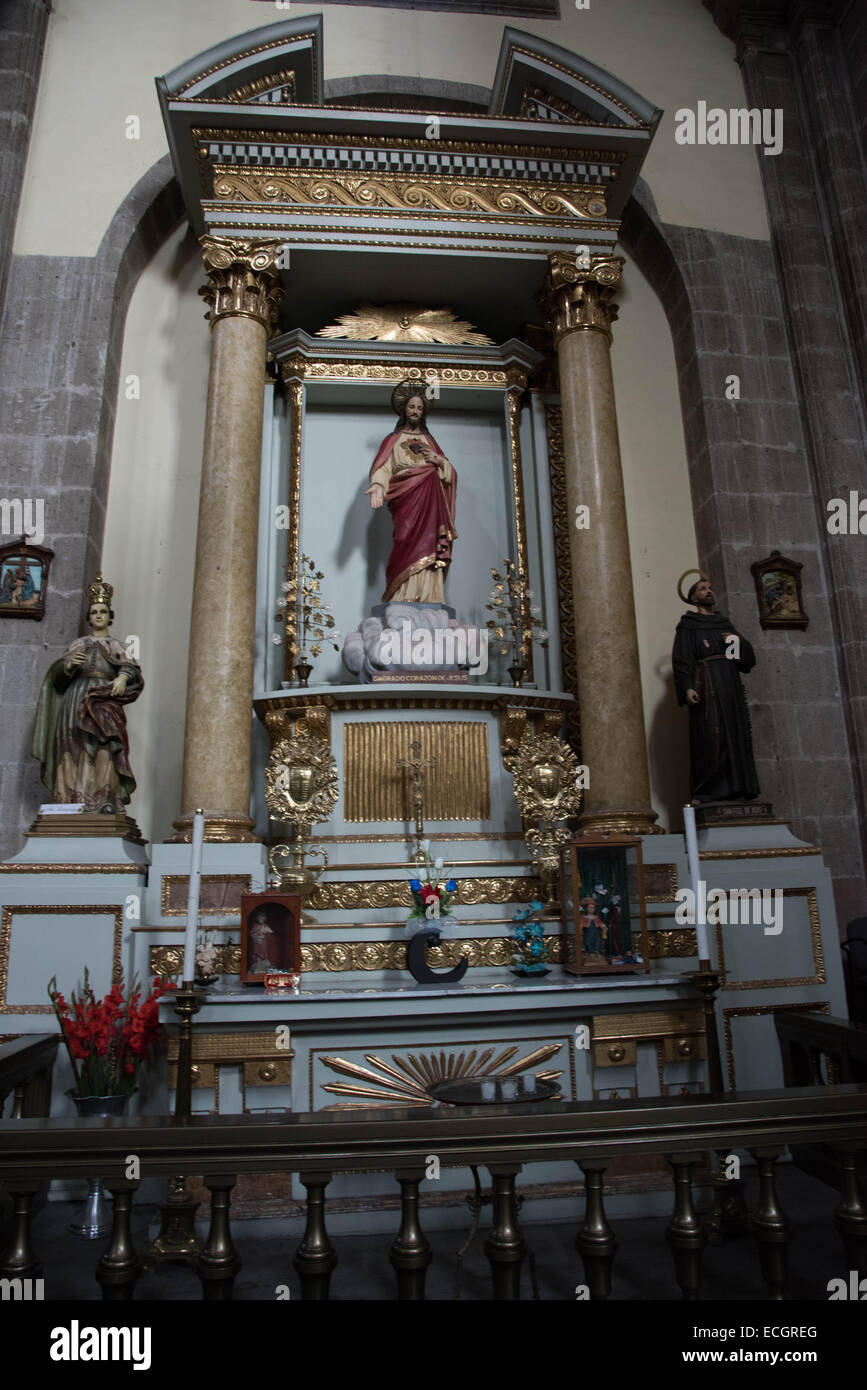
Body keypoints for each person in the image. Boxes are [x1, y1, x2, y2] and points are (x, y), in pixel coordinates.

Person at [32, 574, 143, 810]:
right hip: (76, 698)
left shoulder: (117, 646)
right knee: (73, 745)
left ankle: (103, 799)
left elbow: (132, 669)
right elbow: (58, 679)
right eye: (94, 612)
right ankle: (69, 798)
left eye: (103, 612)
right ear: (89, 618)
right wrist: (69, 666)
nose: (99, 615)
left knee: (104, 746)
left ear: (110, 617)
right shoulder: (78, 644)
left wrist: (123, 676)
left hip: (103, 700)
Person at [365, 381, 457, 603]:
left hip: (431, 499)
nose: (415, 411)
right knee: (404, 539)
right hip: (406, 497)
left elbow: (449, 473)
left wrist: (439, 461)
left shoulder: (429, 441)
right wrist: (378, 486)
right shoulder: (393, 440)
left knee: (430, 541)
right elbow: (383, 468)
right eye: (412, 407)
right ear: (404, 409)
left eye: (419, 408)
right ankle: (402, 594)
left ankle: (429, 596)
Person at [672, 574, 759, 803]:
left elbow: (742, 662)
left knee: (734, 734)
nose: (709, 591)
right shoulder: (688, 625)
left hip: (729, 684)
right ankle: (707, 791)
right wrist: (687, 687)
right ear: (693, 598)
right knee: (711, 736)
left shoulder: (723, 624)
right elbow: (682, 659)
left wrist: (735, 643)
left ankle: (738, 789)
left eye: (710, 588)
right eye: (702, 588)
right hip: (706, 684)